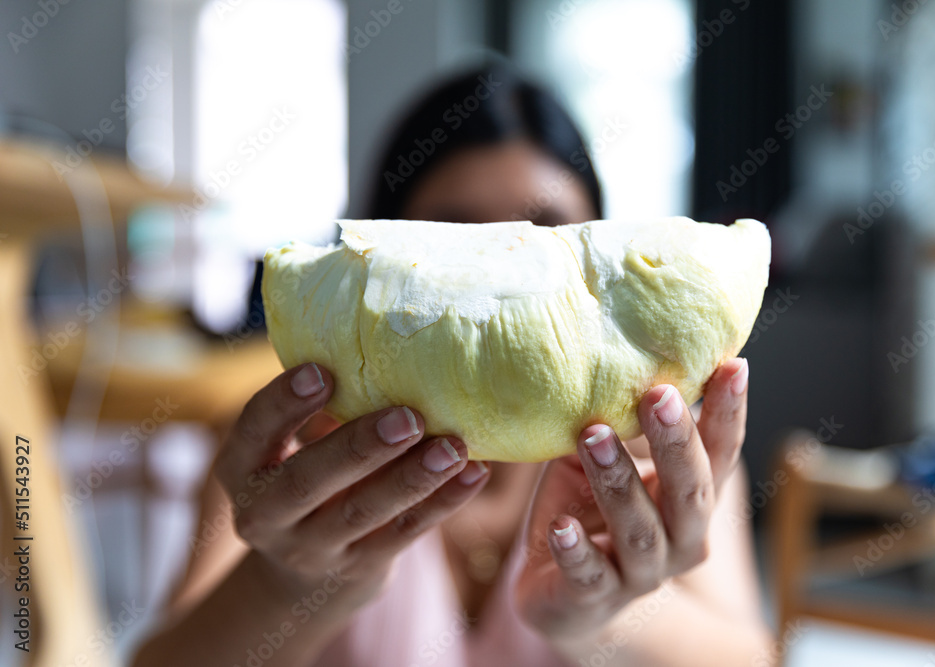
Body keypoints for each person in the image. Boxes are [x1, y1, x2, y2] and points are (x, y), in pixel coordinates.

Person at [133, 63, 773, 667]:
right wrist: (286, 584)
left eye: (543, 237)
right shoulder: (300, 447)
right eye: (457, 237)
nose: (503, 283)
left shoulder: (658, 452)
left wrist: (609, 618)